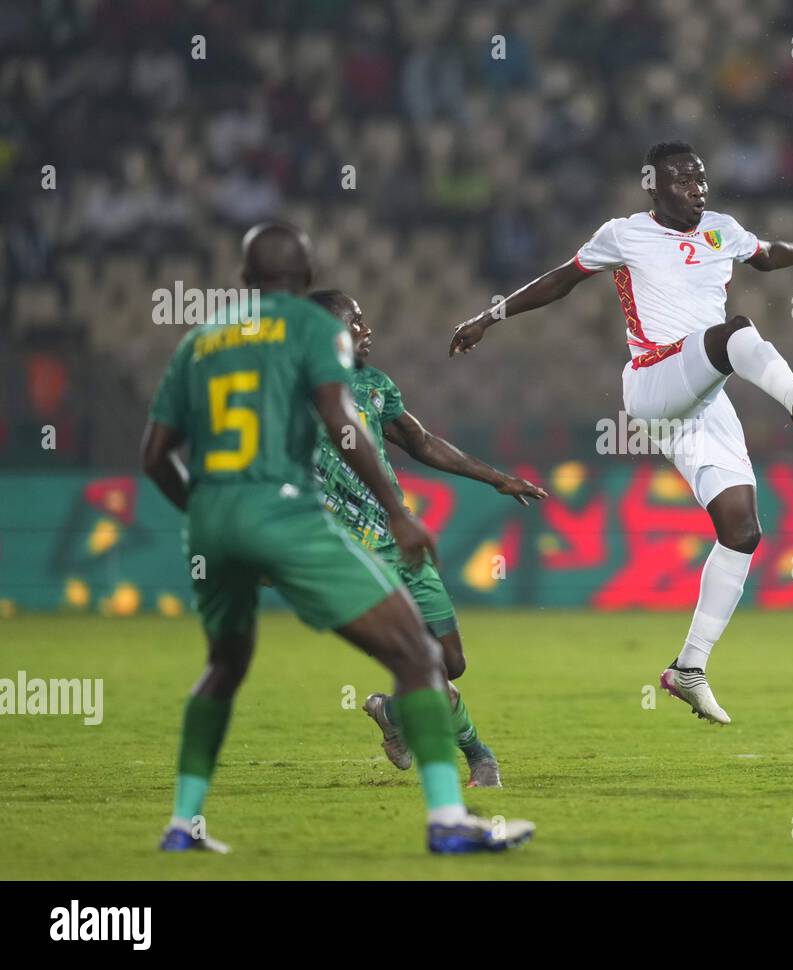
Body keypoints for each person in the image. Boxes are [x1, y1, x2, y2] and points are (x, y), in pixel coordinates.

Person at [140, 222, 532, 854]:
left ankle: (184, 824)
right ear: (305, 279)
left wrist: (207, 515)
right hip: (291, 518)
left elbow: (155, 455)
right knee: (416, 656)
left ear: (243, 282)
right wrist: (396, 510)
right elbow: (340, 422)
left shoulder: (200, 343)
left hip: (214, 518)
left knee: (222, 667)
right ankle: (448, 821)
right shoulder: (310, 333)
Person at [447, 141, 793, 725]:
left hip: (704, 399)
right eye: (684, 181)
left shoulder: (721, 229)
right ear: (653, 186)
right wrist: (490, 316)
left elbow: (765, 255)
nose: (698, 189)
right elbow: (561, 280)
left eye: (701, 179)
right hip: (654, 379)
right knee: (733, 331)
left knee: (742, 530)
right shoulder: (624, 234)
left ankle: (689, 668)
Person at [309, 288, 547, 786]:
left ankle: (393, 713)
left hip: (402, 544)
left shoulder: (373, 385)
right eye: (355, 322)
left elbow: (419, 442)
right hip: (350, 556)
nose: (366, 330)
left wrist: (495, 477)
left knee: (451, 663)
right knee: (422, 663)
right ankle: (481, 757)